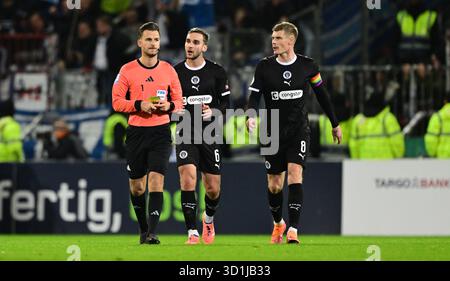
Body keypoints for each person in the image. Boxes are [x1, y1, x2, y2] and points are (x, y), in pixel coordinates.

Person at [246, 22, 342, 244]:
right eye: (273, 37)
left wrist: (334, 123)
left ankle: (294, 230)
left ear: (291, 41)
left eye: (279, 38)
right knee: (274, 184)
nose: (274, 41)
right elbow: (254, 96)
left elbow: (323, 95)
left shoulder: (308, 66)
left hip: (298, 130)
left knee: (295, 173)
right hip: (272, 131)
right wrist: (250, 114)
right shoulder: (264, 67)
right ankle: (278, 223)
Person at [112, 22, 183, 245]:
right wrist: (138, 104)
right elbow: (116, 102)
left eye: (156, 39)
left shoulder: (169, 70)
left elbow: (180, 102)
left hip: (161, 132)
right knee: (137, 186)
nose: (153, 43)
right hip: (136, 134)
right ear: (139, 42)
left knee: (156, 181)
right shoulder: (127, 70)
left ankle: (152, 232)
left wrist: (168, 107)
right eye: (149, 39)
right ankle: (143, 229)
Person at [173, 28, 230, 244]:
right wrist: (172, 110)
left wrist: (214, 112)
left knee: (213, 189)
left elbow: (226, 104)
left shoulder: (216, 72)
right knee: (188, 179)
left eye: (196, 42)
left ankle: (208, 219)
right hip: (185, 130)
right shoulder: (175, 72)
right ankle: (192, 232)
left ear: (204, 47)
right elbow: (168, 103)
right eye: (188, 41)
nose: (190, 45)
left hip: (210, 133)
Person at [348, 92, 405, 159]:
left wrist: (356, 161)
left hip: (364, 165)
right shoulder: (388, 119)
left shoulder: (357, 120)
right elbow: (397, 142)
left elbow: (353, 145)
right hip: (387, 165)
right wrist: (398, 158)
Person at [425, 92, 450, 158]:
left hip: (442, 157)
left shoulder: (437, 117)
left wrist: (432, 154)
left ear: (445, 101)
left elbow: (431, 139)